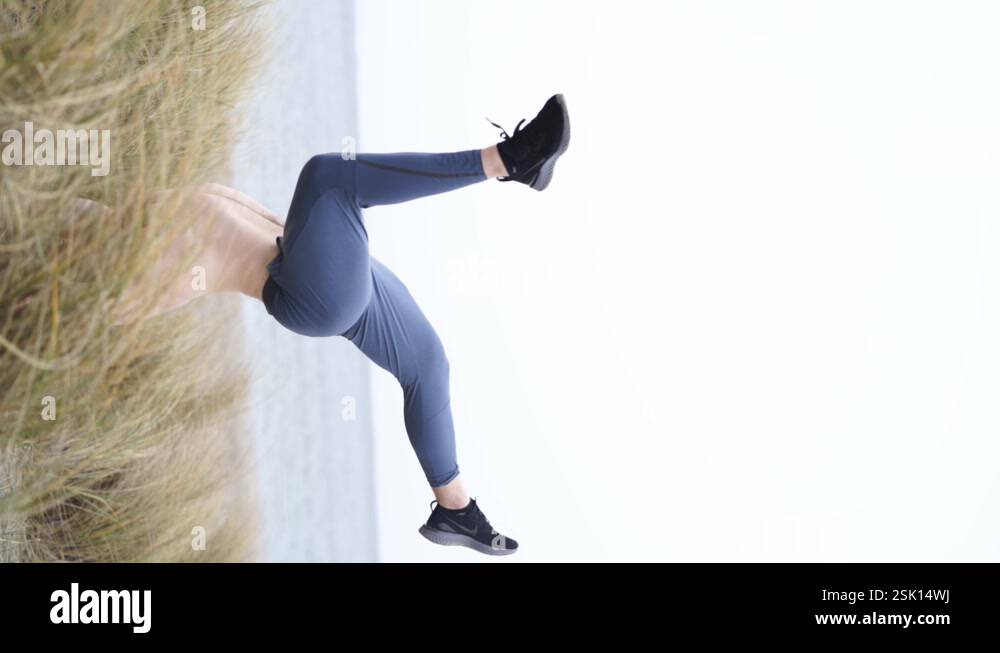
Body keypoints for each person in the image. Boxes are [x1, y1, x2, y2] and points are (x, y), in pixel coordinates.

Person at [118, 94, 570, 555]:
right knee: (331, 185)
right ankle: (459, 510)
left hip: (317, 292)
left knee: (332, 184)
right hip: (317, 294)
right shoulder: (169, 228)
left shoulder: (183, 217)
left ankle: (511, 160)